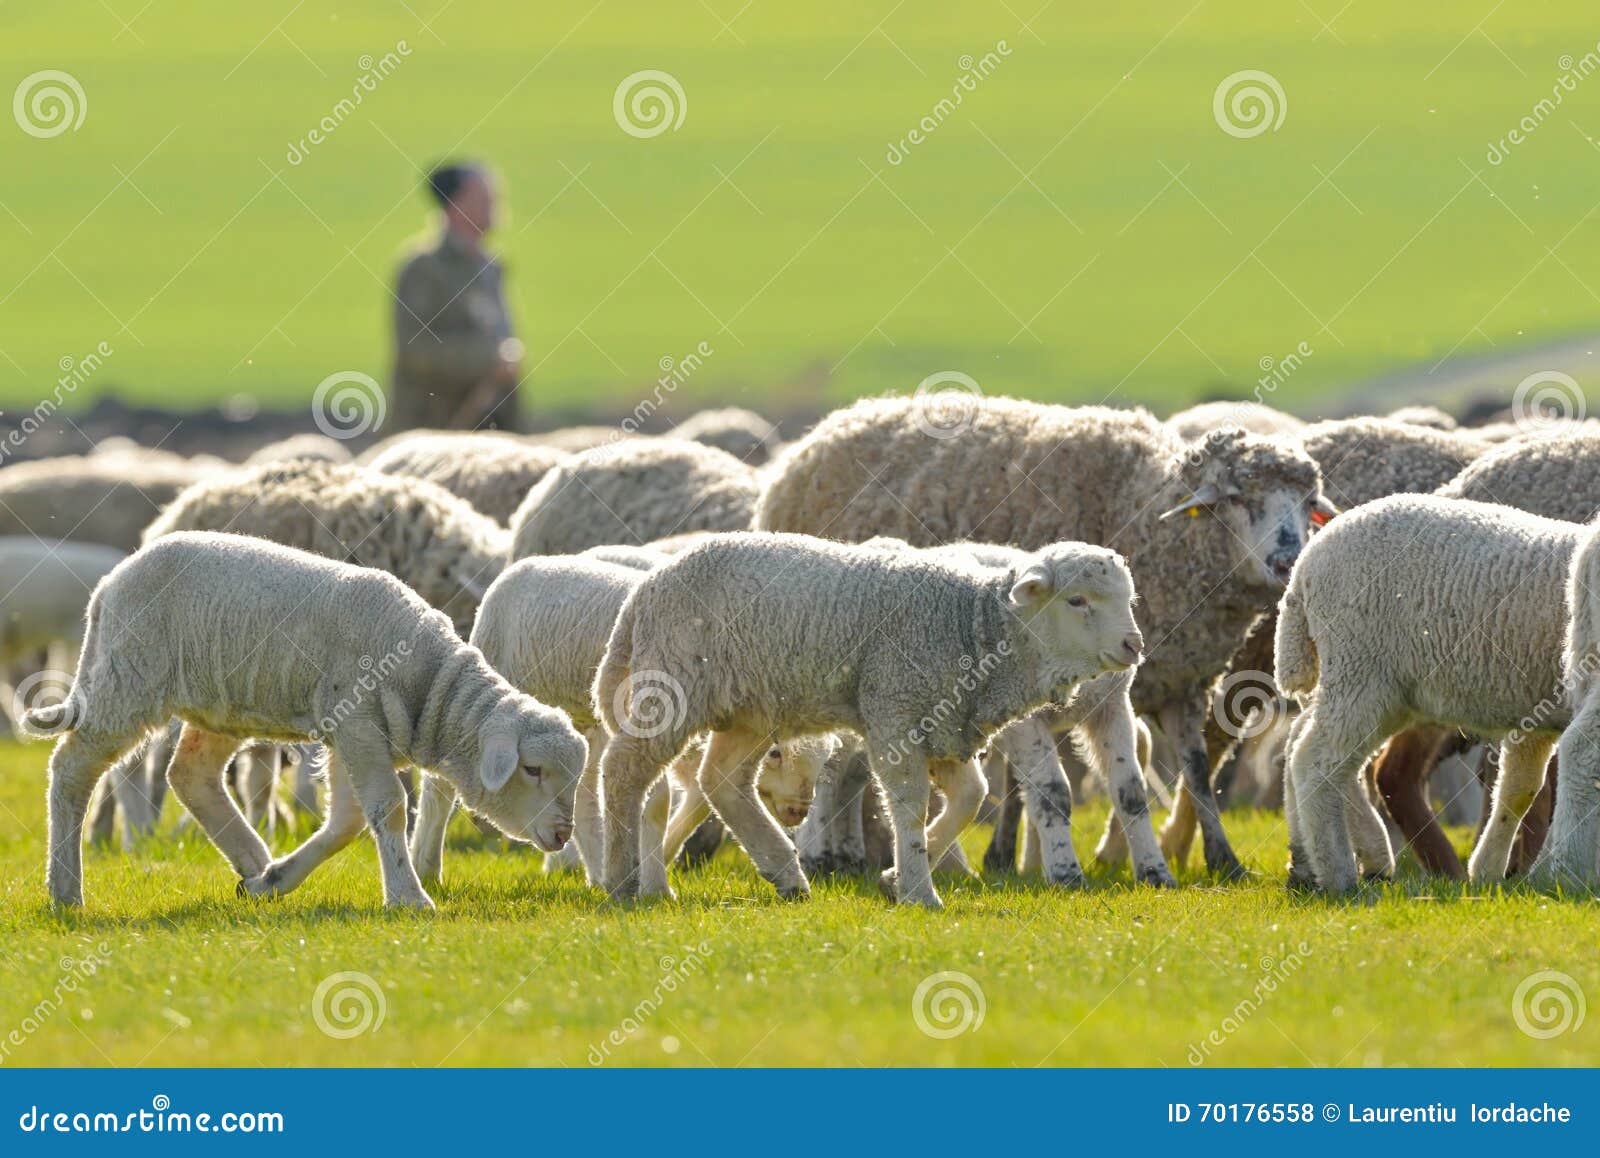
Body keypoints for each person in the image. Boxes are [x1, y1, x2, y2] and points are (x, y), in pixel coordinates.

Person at [389, 162, 524, 431]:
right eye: (482, 196)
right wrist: (488, 358)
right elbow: (415, 351)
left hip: (491, 425)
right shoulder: (423, 268)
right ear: (454, 205)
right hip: (433, 430)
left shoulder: (491, 266)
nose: (494, 203)